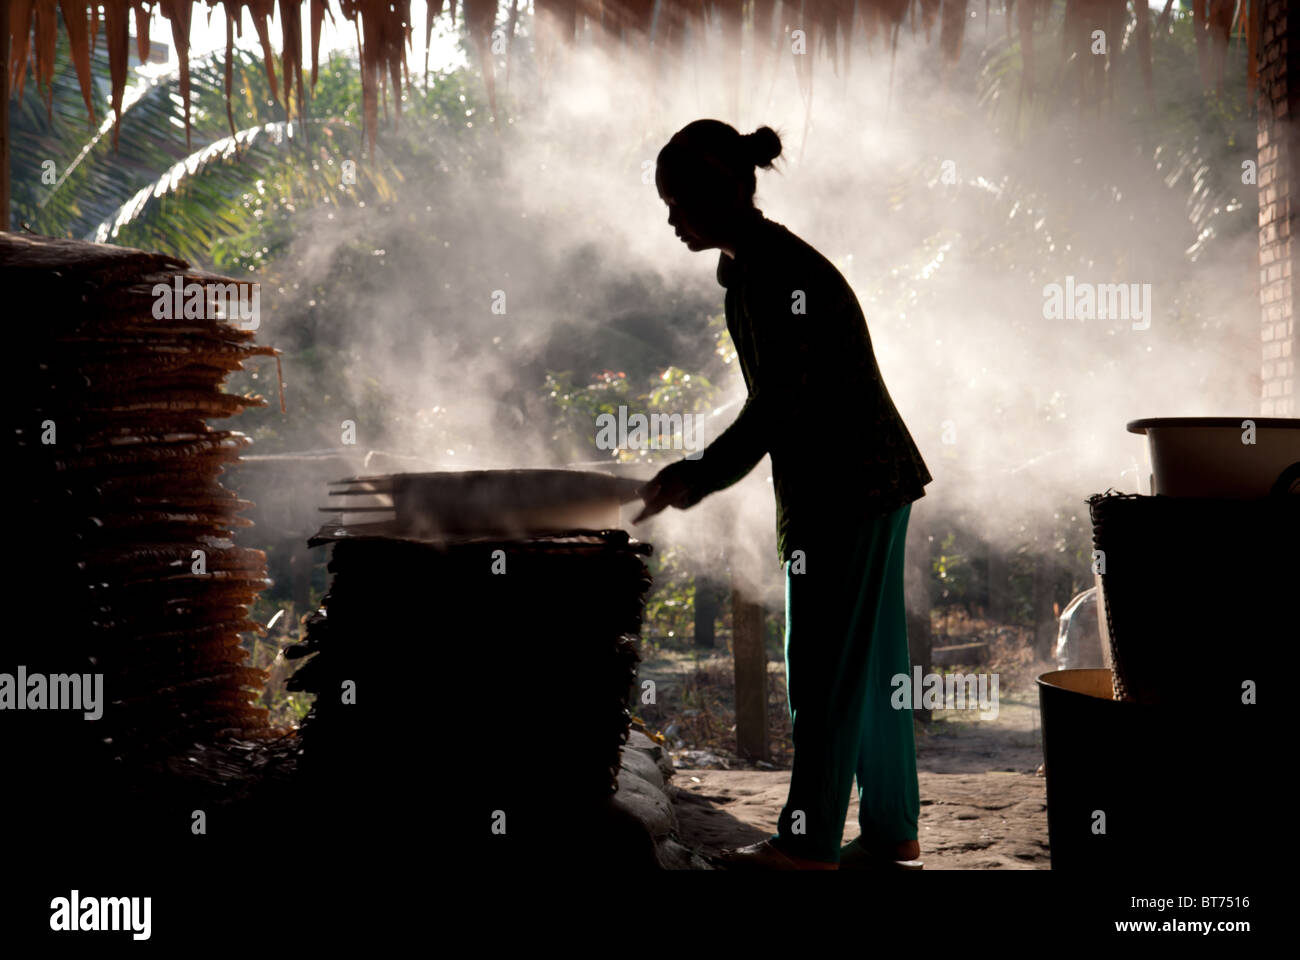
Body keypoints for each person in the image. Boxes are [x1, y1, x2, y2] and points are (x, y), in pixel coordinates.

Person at [633, 119, 933, 871]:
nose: (672, 219)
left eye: (681, 203)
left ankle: (807, 843)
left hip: (845, 487)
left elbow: (779, 405)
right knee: (870, 669)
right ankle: (893, 828)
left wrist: (699, 474)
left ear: (727, 191)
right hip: (867, 480)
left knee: (824, 672)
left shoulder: (774, 273)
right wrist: (697, 466)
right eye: (667, 204)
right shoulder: (755, 266)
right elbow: (779, 399)